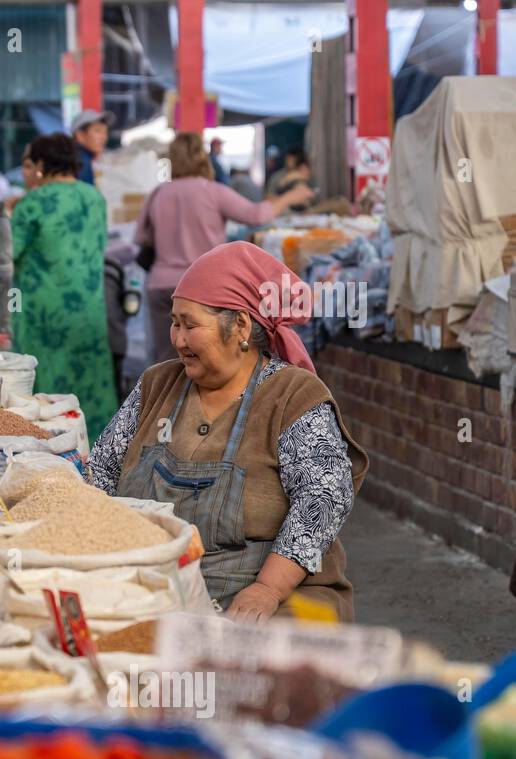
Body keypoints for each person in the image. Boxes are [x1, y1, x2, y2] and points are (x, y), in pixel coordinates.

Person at [88, 242, 368, 622]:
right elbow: (101, 473)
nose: (178, 339)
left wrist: (268, 589)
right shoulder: (157, 384)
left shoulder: (291, 396)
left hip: (269, 593)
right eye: (174, 322)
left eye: (190, 325)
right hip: (159, 585)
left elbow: (322, 501)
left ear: (239, 326)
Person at [136, 132, 315, 365]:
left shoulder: (158, 194)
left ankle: (167, 403)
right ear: (202, 157)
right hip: (204, 292)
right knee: (208, 363)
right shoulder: (212, 191)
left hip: (160, 285)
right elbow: (256, 214)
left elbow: (141, 237)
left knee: (166, 364)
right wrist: (290, 197)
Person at [10, 133, 116, 432]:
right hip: (89, 309)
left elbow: (5, 251)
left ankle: (50, 451)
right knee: (89, 380)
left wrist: (7, 216)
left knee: (44, 383)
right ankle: (96, 448)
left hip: (41, 311)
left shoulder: (32, 203)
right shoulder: (95, 198)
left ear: (41, 165)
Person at [70, 108, 114, 186]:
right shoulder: (81, 161)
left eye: (105, 132)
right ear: (80, 135)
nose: (104, 137)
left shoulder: (77, 158)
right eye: (98, 131)